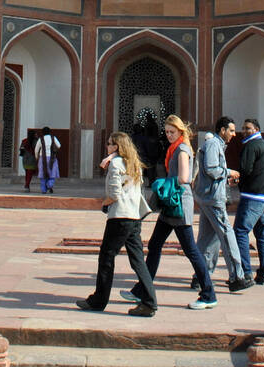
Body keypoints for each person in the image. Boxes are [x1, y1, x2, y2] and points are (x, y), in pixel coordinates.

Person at [122, 114, 218, 310]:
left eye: (172, 132)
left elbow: (184, 178)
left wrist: (163, 183)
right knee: (155, 245)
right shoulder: (175, 148)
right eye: (166, 132)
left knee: (191, 250)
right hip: (172, 204)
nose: (169, 135)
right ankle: (142, 290)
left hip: (179, 204)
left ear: (180, 131)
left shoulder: (182, 149)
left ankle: (208, 293)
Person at [76, 131, 158, 316]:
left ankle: (99, 300)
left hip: (120, 218)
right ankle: (150, 301)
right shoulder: (134, 164)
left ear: (117, 147)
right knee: (137, 260)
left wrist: (103, 203)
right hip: (134, 218)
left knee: (106, 257)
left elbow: (114, 194)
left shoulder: (115, 163)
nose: (106, 146)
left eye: (109, 143)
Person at [195, 117, 254, 292]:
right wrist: (229, 172)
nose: (234, 134)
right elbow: (212, 169)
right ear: (222, 130)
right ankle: (237, 277)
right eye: (232, 130)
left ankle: (200, 276)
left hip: (208, 196)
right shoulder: (214, 144)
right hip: (213, 198)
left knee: (208, 239)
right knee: (227, 235)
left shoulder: (216, 144)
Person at [234, 118, 264, 284]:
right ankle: (263, 272)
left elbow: (245, 169)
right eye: (243, 128)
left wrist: (238, 182)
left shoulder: (251, 146)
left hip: (252, 198)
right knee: (262, 237)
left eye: (248, 128)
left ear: (256, 129)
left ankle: (246, 272)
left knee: (240, 231)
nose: (244, 131)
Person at [35, 126, 60, 195]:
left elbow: (36, 149)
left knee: (43, 175)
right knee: (52, 173)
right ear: (49, 132)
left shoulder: (41, 139)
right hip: (52, 158)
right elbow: (59, 145)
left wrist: (36, 156)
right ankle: (49, 185)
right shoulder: (53, 138)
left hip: (42, 158)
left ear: (43, 132)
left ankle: (43, 190)